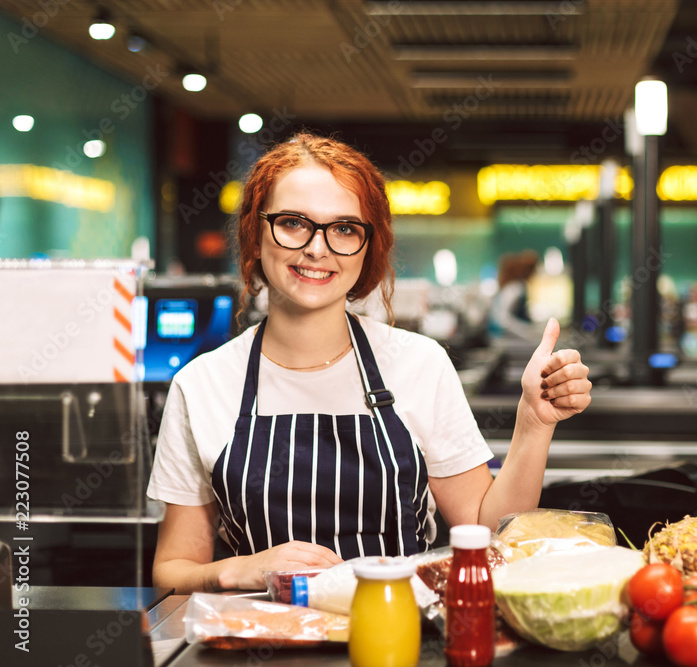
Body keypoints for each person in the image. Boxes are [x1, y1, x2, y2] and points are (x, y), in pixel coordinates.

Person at [147, 133, 593, 593]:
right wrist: (234, 569)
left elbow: (493, 539)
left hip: (403, 640)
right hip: (261, 647)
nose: (317, 248)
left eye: (344, 229)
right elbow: (173, 568)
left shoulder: (419, 364)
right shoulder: (201, 384)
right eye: (294, 223)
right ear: (255, 234)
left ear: (367, 249)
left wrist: (534, 423)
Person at [488, 250, 540, 341]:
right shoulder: (515, 288)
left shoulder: (512, 287)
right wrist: (527, 331)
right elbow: (503, 319)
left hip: (502, 336)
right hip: (503, 338)